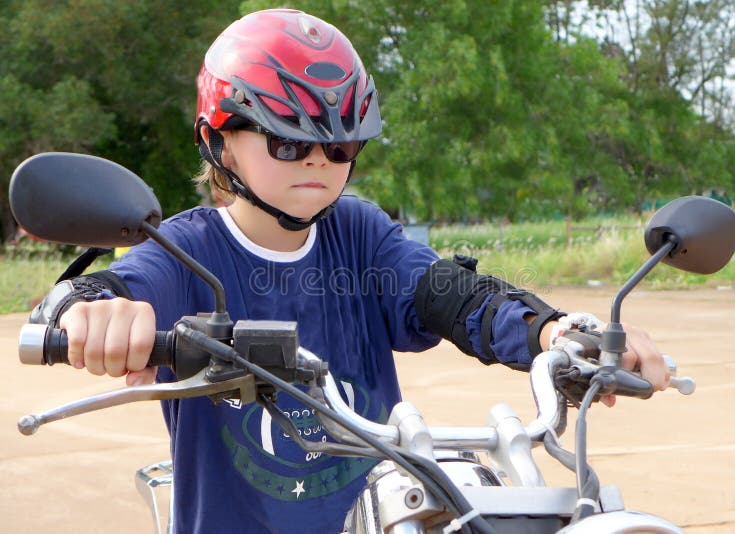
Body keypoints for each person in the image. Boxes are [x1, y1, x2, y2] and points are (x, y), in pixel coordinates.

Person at [31, 9, 669, 533]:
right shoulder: (186, 252)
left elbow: (450, 294)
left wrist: (556, 332)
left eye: (339, 147)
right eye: (287, 143)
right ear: (219, 140)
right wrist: (88, 311)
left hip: (383, 517)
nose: (317, 161)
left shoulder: (359, 234)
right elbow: (107, 289)